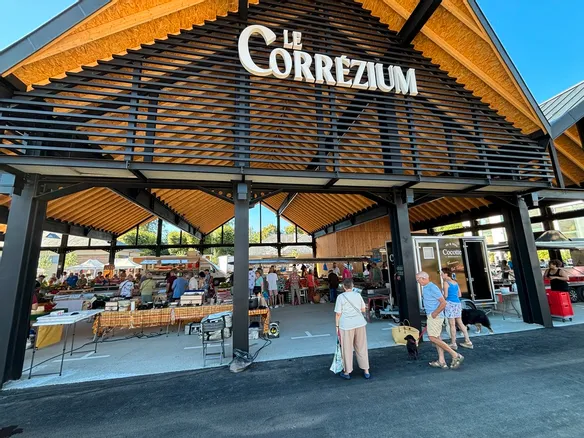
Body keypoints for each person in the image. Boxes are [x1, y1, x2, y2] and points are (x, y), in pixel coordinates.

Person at [416, 271, 464, 370]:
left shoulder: (432, 287)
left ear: (424, 278)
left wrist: (435, 313)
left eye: (418, 280)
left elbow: (443, 302)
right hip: (433, 316)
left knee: (432, 338)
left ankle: (455, 355)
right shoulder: (426, 288)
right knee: (437, 338)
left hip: (435, 316)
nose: (418, 282)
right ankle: (441, 361)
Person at [334, 278, 370, 380]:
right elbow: (363, 309)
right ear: (353, 286)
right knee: (361, 347)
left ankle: (347, 372)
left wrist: (337, 327)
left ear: (343, 287)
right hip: (360, 323)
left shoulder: (340, 297)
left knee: (347, 349)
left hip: (346, 326)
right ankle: (366, 370)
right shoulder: (358, 295)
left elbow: (338, 314)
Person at [441, 267, 473, 350]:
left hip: (450, 304)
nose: (441, 275)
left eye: (442, 274)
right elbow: (459, 295)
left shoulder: (446, 283)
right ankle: (468, 341)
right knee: (460, 323)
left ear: (446, 274)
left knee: (452, 324)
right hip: (457, 303)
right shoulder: (455, 282)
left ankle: (453, 343)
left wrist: (441, 300)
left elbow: (445, 295)